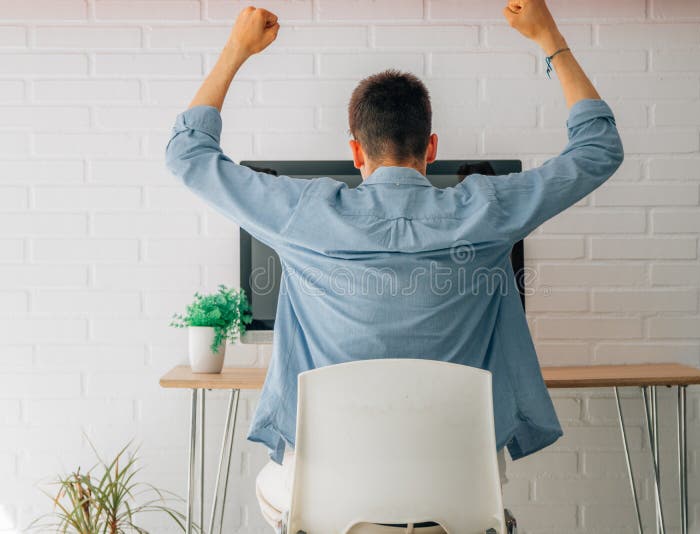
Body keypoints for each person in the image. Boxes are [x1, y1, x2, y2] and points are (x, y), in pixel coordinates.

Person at [164, 0, 623, 530]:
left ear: (356, 152)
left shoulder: (303, 214)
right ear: (431, 147)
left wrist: (237, 49)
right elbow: (598, 149)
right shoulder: (487, 210)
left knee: (270, 488)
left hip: (329, 501)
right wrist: (548, 37)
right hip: (458, 498)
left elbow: (187, 155)